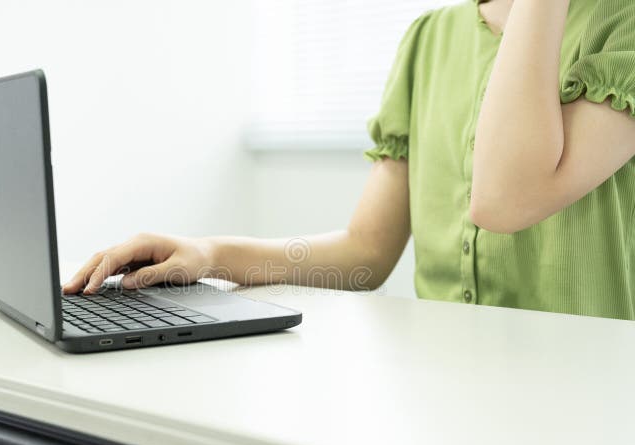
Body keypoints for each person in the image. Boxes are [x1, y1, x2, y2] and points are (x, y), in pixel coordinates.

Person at [64, 0, 635, 320]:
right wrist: (211, 255)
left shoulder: (623, 24)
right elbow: (365, 256)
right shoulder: (429, 38)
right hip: (452, 403)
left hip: (588, 408)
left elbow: (508, 195)